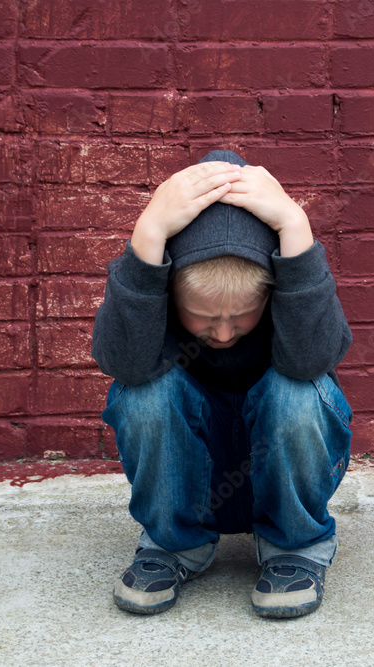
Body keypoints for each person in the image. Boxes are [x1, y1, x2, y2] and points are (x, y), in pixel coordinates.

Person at [92, 149, 353, 619]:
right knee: (143, 393)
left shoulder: (285, 288)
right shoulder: (158, 291)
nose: (225, 333)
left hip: (278, 474)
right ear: (169, 290)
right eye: (205, 317)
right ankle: (171, 546)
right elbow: (126, 366)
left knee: (298, 391)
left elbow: (312, 361)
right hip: (190, 477)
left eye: (243, 315)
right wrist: (149, 233)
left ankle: (295, 547)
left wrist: (295, 227)